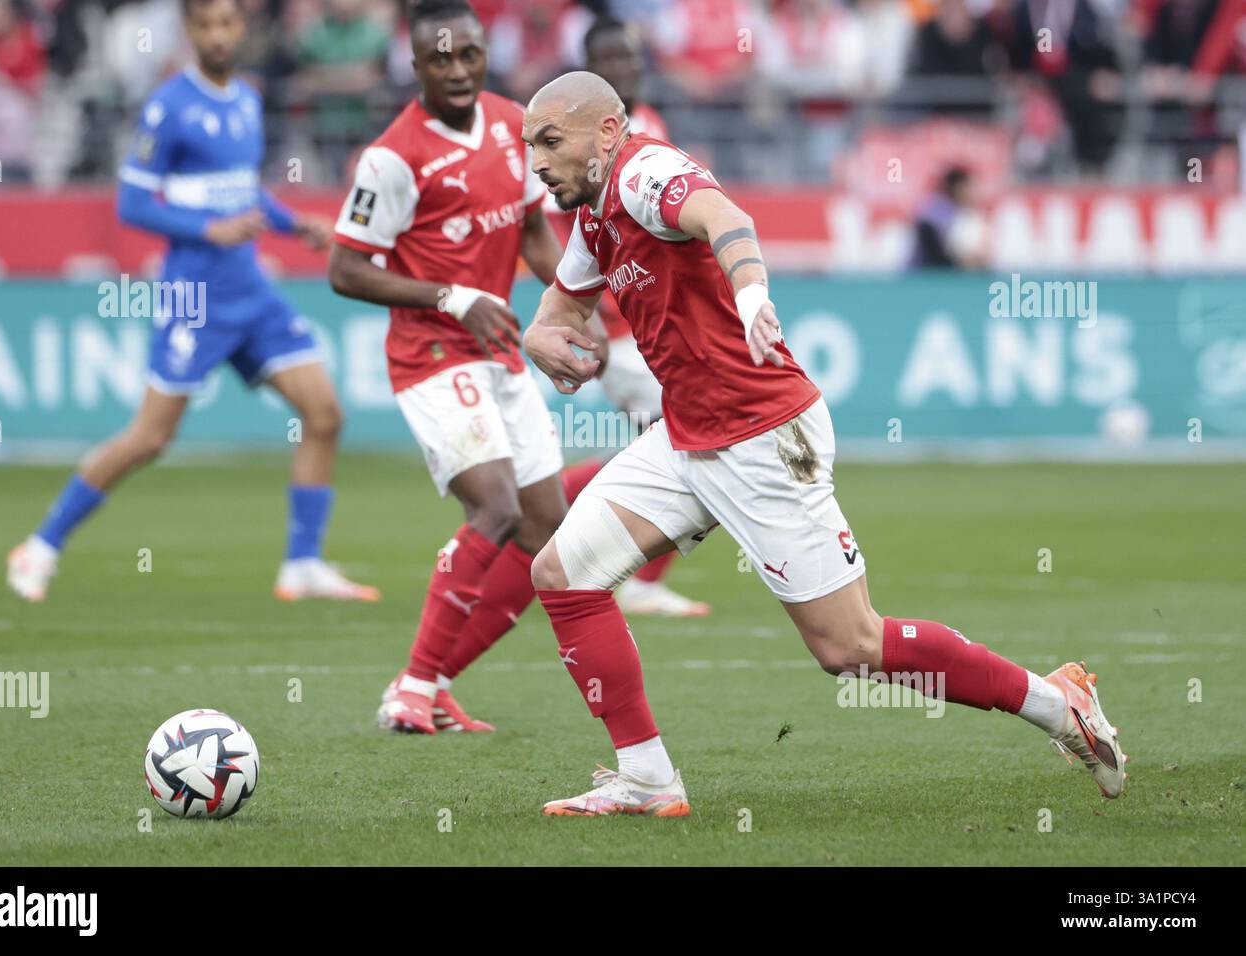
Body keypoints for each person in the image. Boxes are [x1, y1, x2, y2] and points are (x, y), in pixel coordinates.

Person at [519, 71, 1128, 816]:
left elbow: (723, 215)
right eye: (529, 146)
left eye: (550, 140)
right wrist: (539, 336)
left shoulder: (645, 172)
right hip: (686, 435)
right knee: (563, 573)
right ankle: (647, 777)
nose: (538, 161)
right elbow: (562, 303)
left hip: (762, 436)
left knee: (850, 648)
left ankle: (1055, 701)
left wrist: (750, 293)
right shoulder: (595, 215)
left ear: (606, 134)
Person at [7, 0, 377, 605]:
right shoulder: (169, 106)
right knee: (151, 438)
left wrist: (293, 225)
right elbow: (131, 203)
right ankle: (41, 543)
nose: (217, 35)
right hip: (193, 298)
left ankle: (302, 564)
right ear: (189, 32)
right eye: (204, 25)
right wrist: (208, 231)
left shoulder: (248, 99)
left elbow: (242, 190)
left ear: (241, 28)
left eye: (227, 23)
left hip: (250, 291)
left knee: (325, 414)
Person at [327, 0, 565, 735]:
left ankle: (424, 681)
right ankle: (413, 689)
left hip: (498, 352)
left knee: (546, 542)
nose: (457, 70)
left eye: (469, 53)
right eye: (441, 58)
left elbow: (532, 231)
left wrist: (574, 311)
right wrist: (453, 296)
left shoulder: (511, 122)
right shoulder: (393, 158)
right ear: (415, 66)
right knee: (495, 507)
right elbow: (344, 269)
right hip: (430, 355)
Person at [557, 14, 710, 618]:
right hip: (619, 330)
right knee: (688, 441)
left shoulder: (650, 126)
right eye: (613, 60)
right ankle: (637, 578)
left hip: (657, 323)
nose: (629, 68)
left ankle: (545, 500)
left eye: (633, 58)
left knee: (672, 442)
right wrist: (580, 311)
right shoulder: (571, 136)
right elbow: (559, 230)